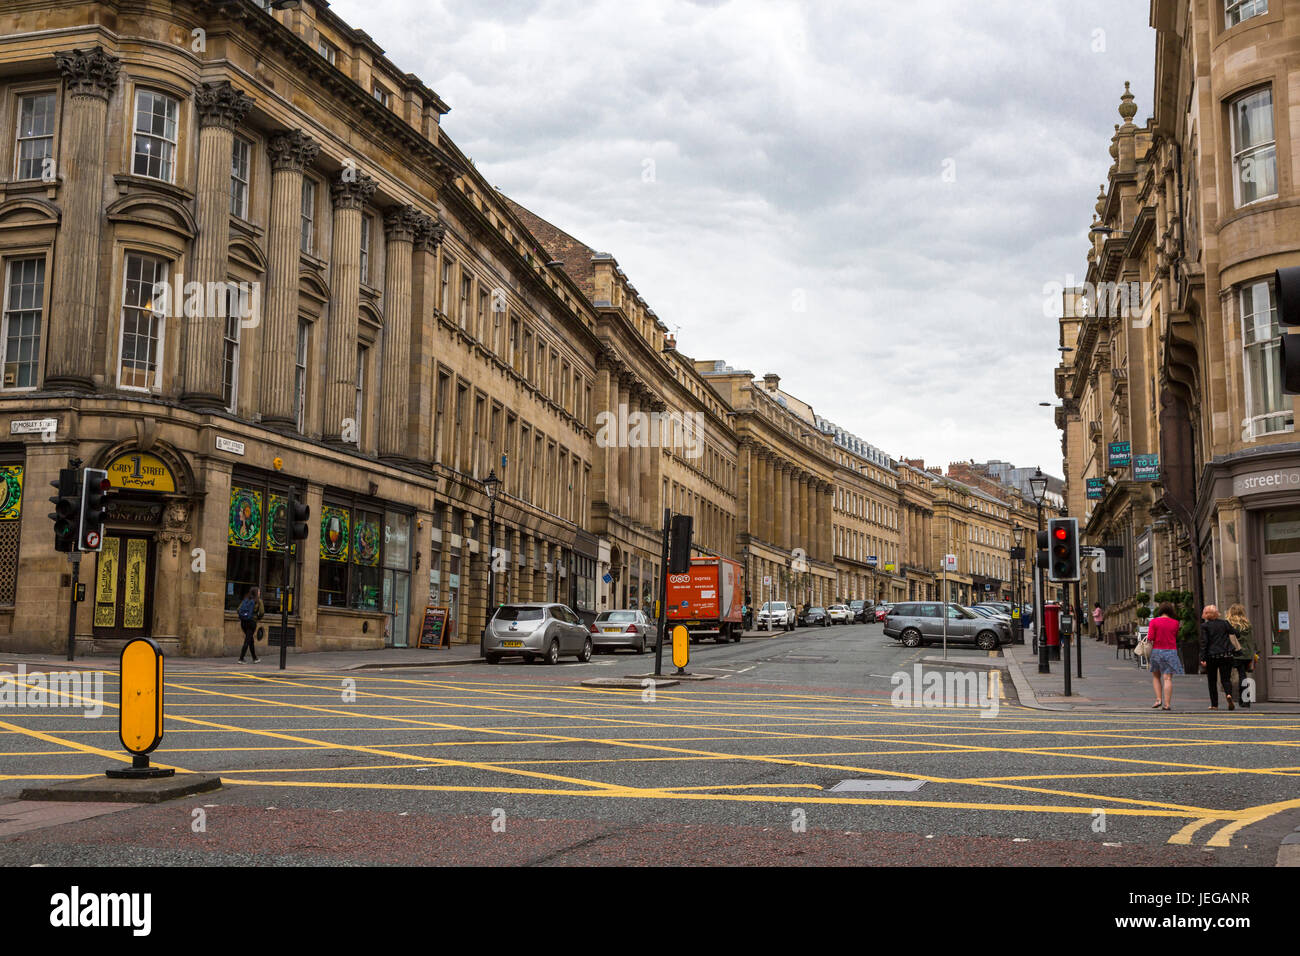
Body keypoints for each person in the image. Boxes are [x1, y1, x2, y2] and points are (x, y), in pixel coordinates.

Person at [1200, 604, 1239, 710]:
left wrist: (1202, 658)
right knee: (1226, 678)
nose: (1202, 614)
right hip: (1226, 654)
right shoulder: (1224, 623)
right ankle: (1228, 694)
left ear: (1208, 614)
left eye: (1204, 612)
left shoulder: (1205, 626)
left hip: (1212, 656)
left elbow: (1204, 643)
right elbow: (1235, 633)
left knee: (1212, 680)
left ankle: (1214, 704)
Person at [1146, 601, 1183, 710]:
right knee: (1167, 678)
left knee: (1156, 676)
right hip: (1170, 651)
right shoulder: (1175, 623)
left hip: (1157, 651)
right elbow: (1176, 636)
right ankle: (1167, 704)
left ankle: (1158, 699)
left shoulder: (1154, 622)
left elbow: (1150, 637)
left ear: (1160, 610)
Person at [1226, 604, 1256, 709]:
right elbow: (1252, 640)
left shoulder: (1231, 625)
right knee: (1243, 676)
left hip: (1236, 653)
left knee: (1238, 675)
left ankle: (1240, 699)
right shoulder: (1247, 625)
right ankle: (1245, 700)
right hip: (1247, 653)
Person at [237, 586, 261, 664]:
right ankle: (241, 658)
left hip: (243, 622)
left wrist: (244, 615)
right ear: (256, 593)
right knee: (247, 640)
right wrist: (257, 618)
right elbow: (262, 612)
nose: (259, 593)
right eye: (259, 592)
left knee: (250, 640)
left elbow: (238, 609)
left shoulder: (246, 600)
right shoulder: (258, 601)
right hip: (251, 622)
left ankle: (255, 658)